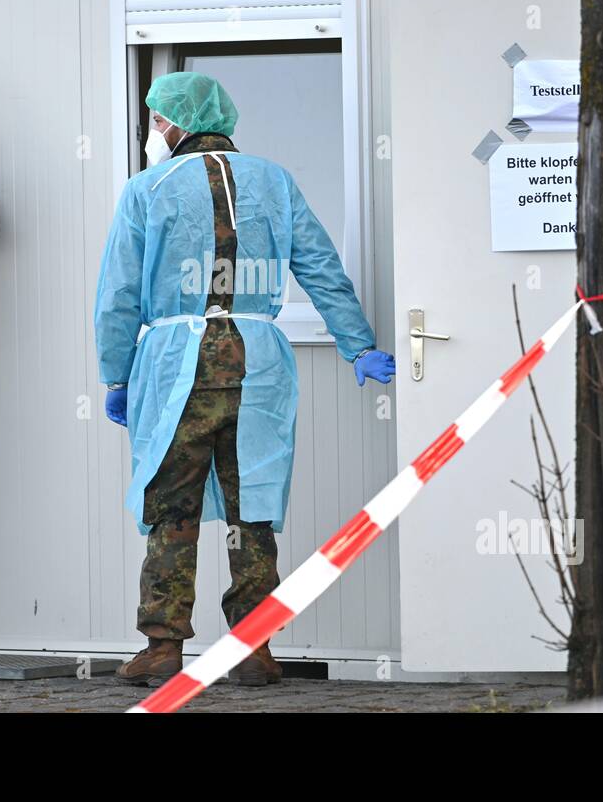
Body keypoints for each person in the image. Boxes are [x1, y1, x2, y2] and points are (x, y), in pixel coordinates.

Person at [95, 71, 395, 686]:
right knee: (249, 502)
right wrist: (356, 345)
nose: (153, 129)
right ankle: (253, 647)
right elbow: (321, 267)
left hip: (177, 359)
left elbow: (119, 294)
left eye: (156, 118)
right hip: (257, 361)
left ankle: (162, 646)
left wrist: (116, 373)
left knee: (170, 503)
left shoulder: (146, 189)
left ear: (169, 124)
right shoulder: (275, 182)